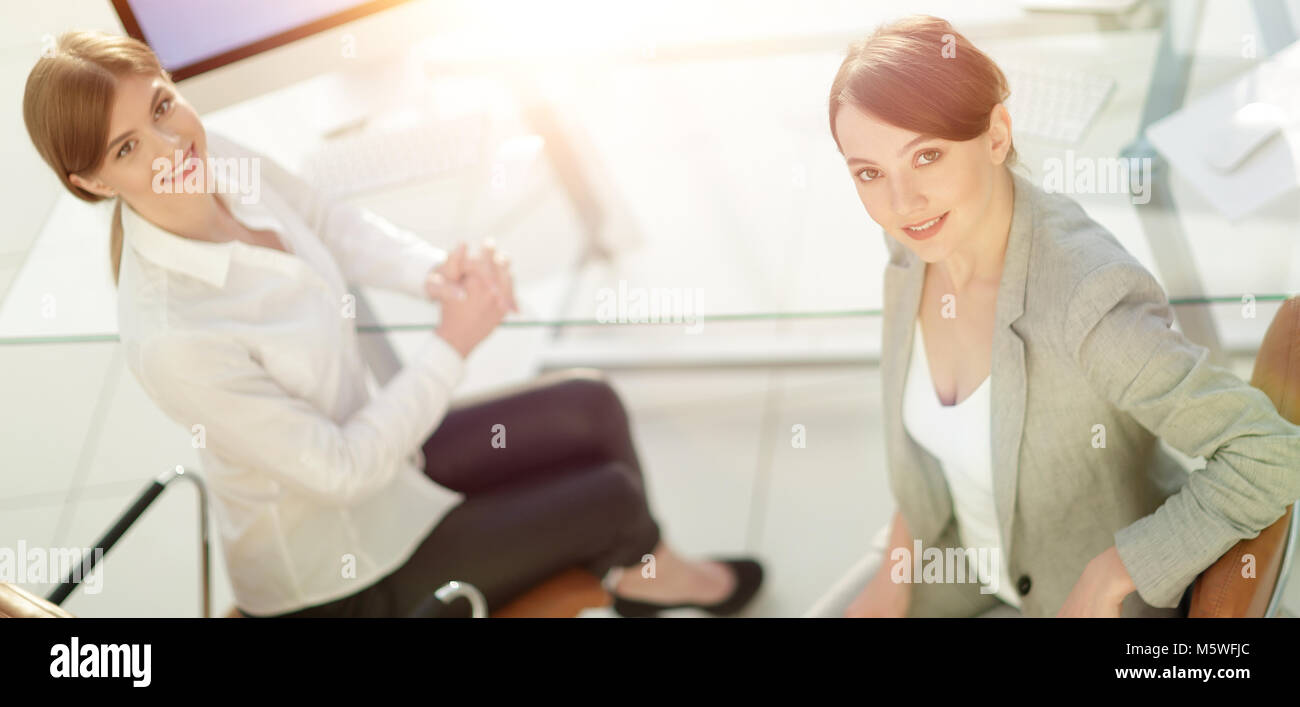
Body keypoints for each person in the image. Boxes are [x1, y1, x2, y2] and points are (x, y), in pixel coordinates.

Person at [23, 30, 763, 618]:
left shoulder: (209, 155)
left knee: (592, 405)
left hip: (386, 454)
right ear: (89, 182)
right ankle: (646, 568)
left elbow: (324, 219)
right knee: (608, 499)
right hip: (341, 574)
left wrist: (432, 272)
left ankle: (636, 571)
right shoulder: (172, 335)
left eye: (160, 106)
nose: (170, 146)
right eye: (128, 148)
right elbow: (341, 470)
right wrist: (453, 344)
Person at [806, 15, 1300, 618]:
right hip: (958, 551)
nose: (901, 202)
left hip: (1070, 591)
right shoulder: (914, 245)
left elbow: (1270, 455)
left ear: (995, 136)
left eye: (928, 155)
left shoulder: (1088, 301)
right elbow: (928, 458)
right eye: (869, 173)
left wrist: (1111, 574)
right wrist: (893, 576)